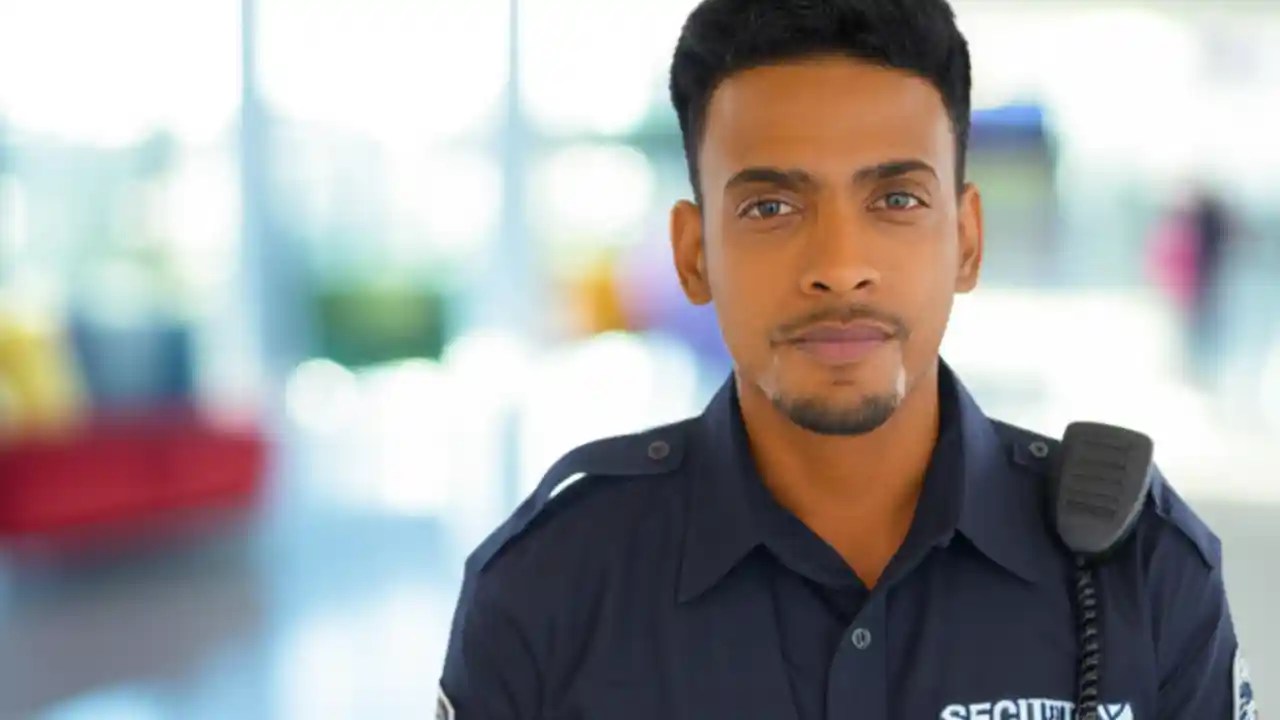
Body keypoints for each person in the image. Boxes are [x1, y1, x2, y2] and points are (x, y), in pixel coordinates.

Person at [439, 1, 1251, 718]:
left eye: (896, 200)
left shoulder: (1135, 567)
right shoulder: (553, 582)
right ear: (694, 255)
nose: (839, 263)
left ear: (966, 241)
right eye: (771, 206)